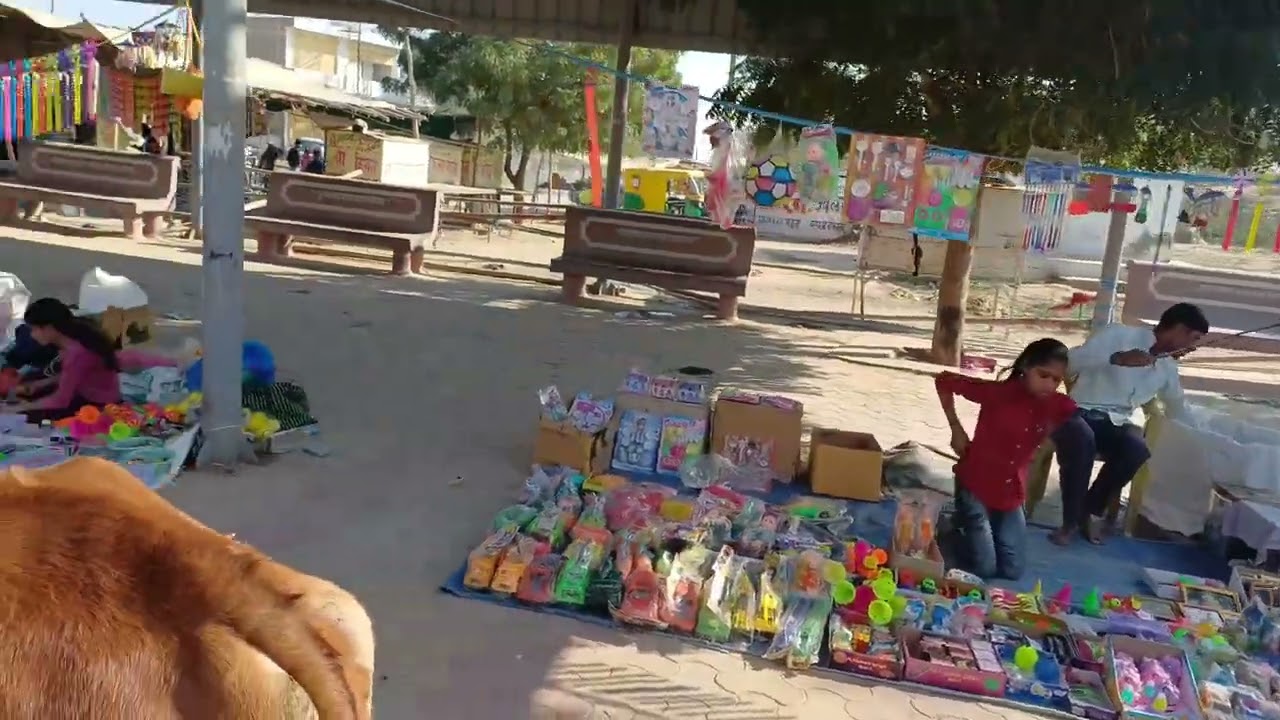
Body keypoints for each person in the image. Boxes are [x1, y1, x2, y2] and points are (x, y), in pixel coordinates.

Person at [1051, 302, 1208, 545]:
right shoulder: (1118, 334)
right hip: (1080, 412)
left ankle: (1089, 511)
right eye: (1193, 338)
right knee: (1082, 440)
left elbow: (1178, 407)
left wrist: (1206, 436)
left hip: (1117, 422)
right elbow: (1069, 362)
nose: (1193, 348)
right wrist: (1115, 358)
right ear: (1178, 328)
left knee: (1136, 449)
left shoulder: (1167, 366)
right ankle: (1069, 522)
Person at [935, 338, 1078, 580]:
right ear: (1025, 367)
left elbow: (1072, 419)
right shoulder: (997, 394)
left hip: (1011, 492)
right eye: (1043, 375)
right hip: (976, 484)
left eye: (1056, 380)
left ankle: (975, 528)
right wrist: (955, 428)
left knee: (1012, 571)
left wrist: (1042, 447)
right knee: (985, 569)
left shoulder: (1057, 405)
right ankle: (950, 529)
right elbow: (943, 381)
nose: (1049, 384)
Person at [8, 298, 122, 423]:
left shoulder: (77, 352)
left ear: (49, 328)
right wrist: (42, 383)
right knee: (32, 382)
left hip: (98, 405)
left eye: (34, 329)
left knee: (27, 415)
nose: (32, 335)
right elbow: (74, 375)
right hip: (85, 393)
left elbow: (61, 400)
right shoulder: (73, 339)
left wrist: (19, 408)